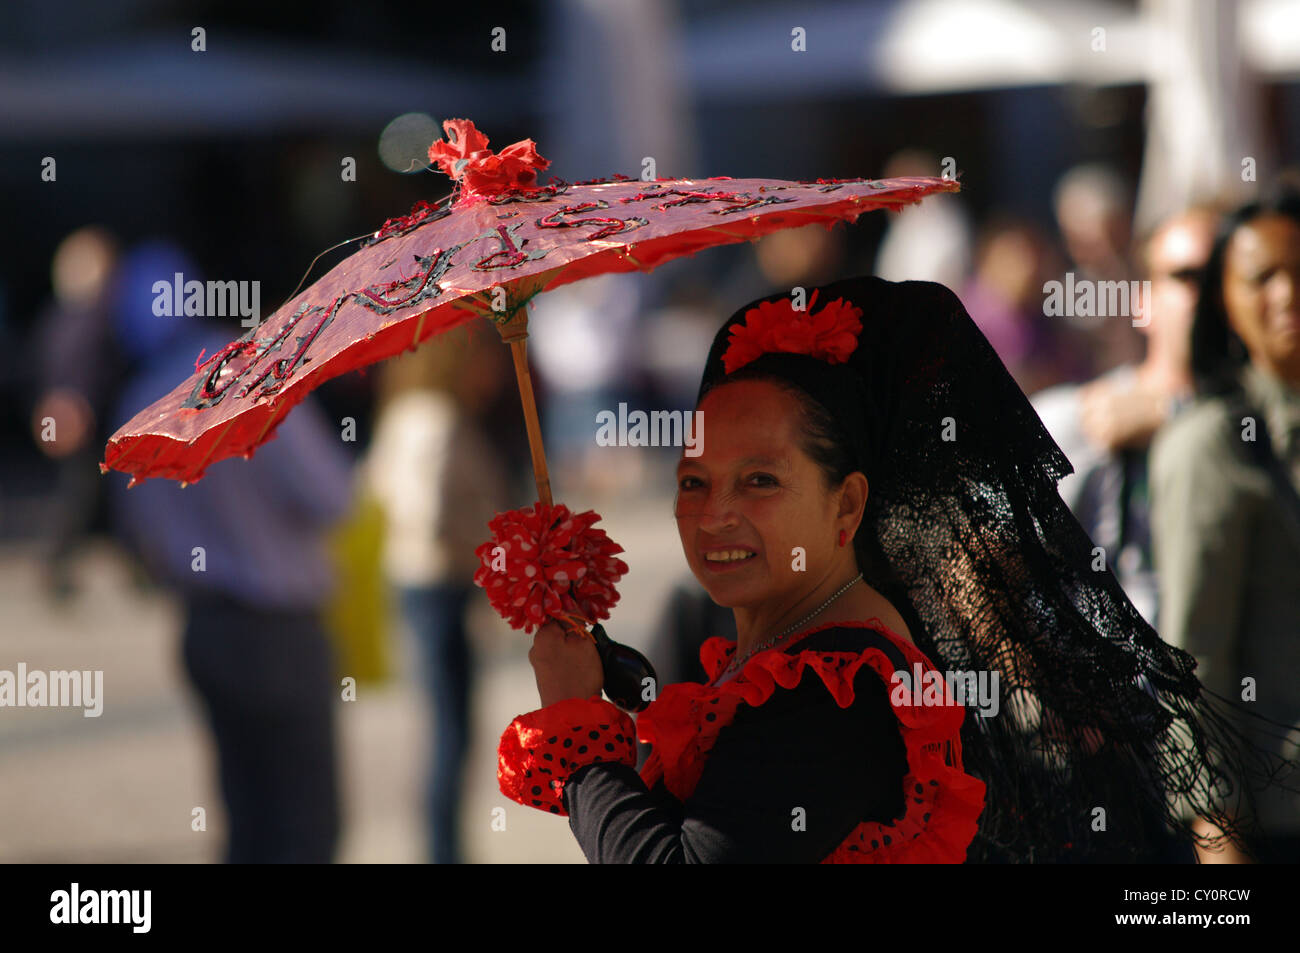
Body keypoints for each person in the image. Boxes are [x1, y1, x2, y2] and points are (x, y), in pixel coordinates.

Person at [494, 275, 1289, 863]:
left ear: (848, 507)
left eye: (760, 480)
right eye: (694, 481)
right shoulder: (797, 653)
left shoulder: (830, 685)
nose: (715, 514)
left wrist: (575, 728)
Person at [107, 240, 353, 863]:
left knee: (246, 818)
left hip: (206, 626)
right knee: (306, 822)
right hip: (280, 628)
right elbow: (332, 496)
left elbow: (144, 540)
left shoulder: (135, 401)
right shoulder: (250, 378)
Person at [1149, 190, 1300, 863]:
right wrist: (1219, 856)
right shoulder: (1212, 443)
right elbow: (1194, 664)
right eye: (1261, 276)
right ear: (1224, 304)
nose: (1287, 293)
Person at [362, 327, 512, 863]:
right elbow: (425, 513)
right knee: (451, 733)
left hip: (419, 582)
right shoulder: (439, 420)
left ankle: (443, 849)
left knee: (446, 729)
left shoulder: (407, 412)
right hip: (439, 585)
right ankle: (443, 852)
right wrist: (489, 552)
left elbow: (376, 486)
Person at [1033, 206, 1219, 629]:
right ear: (1143, 301)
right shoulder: (1071, 420)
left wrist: (1174, 417)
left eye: (1218, 278)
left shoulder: (1265, 429)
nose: (1205, 297)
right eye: (1185, 277)